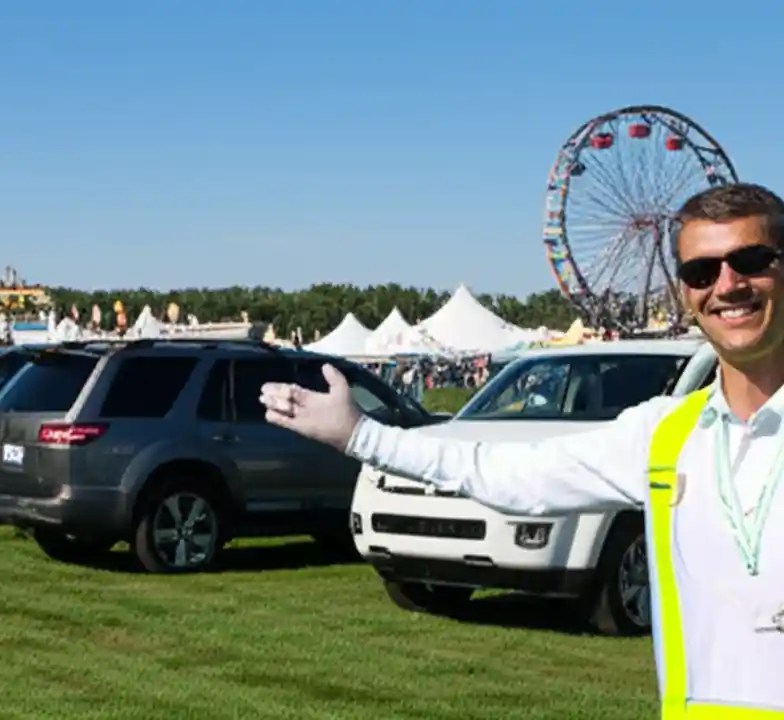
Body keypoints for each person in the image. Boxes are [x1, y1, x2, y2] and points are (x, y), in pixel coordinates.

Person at [261, 182, 784, 718]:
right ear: (684, 293)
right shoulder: (663, 435)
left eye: (750, 260)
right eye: (702, 271)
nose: (728, 284)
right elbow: (513, 477)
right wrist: (361, 436)